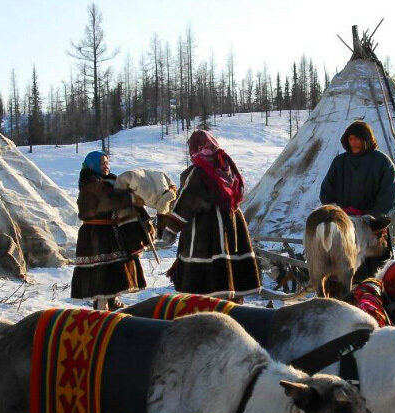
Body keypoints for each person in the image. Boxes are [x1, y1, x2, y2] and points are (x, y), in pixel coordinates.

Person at [159, 130, 260, 300]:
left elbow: (186, 202)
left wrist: (171, 229)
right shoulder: (225, 165)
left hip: (207, 228)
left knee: (208, 279)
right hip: (231, 221)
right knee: (231, 265)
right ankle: (233, 305)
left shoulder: (199, 171)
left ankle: (210, 309)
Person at [71, 150, 152, 310]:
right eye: (102, 163)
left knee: (114, 267)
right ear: (93, 165)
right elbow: (107, 202)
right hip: (95, 234)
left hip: (108, 231)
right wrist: (130, 199)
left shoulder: (108, 181)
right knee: (101, 269)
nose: (106, 166)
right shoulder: (90, 183)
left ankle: (112, 300)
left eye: (107, 162)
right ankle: (101, 304)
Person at [319, 120, 395, 217]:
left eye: (357, 139)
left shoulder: (382, 162)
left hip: (372, 220)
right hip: (344, 219)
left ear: (366, 140)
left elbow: (390, 193)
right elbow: (327, 189)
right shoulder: (340, 161)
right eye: (351, 139)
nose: (353, 142)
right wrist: (335, 211)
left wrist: (374, 215)